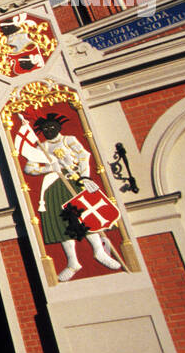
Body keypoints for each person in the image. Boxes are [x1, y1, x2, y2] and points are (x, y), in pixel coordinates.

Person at [20, 113, 122, 281]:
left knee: (86, 217)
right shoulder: (42, 147)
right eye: (45, 128)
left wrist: (85, 176)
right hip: (56, 185)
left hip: (75, 180)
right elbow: (29, 168)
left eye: (52, 127)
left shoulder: (69, 140)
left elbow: (84, 155)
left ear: (59, 127)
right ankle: (72, 262)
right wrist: (50, 168)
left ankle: (99, 251)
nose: (49, 130)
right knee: (63, 223)